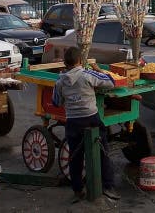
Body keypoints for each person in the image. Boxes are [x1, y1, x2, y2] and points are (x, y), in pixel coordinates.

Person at [52, 47, 120, 202]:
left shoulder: (60, 81)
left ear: (64, 63)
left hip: (73, 122)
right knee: (103, 153)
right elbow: (111, 83)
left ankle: (78, 190)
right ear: (81, 62)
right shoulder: (87, 74)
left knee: (75, 156)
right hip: (91, 119)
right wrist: (100, 71)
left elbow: (56, 102)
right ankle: (108, 186)